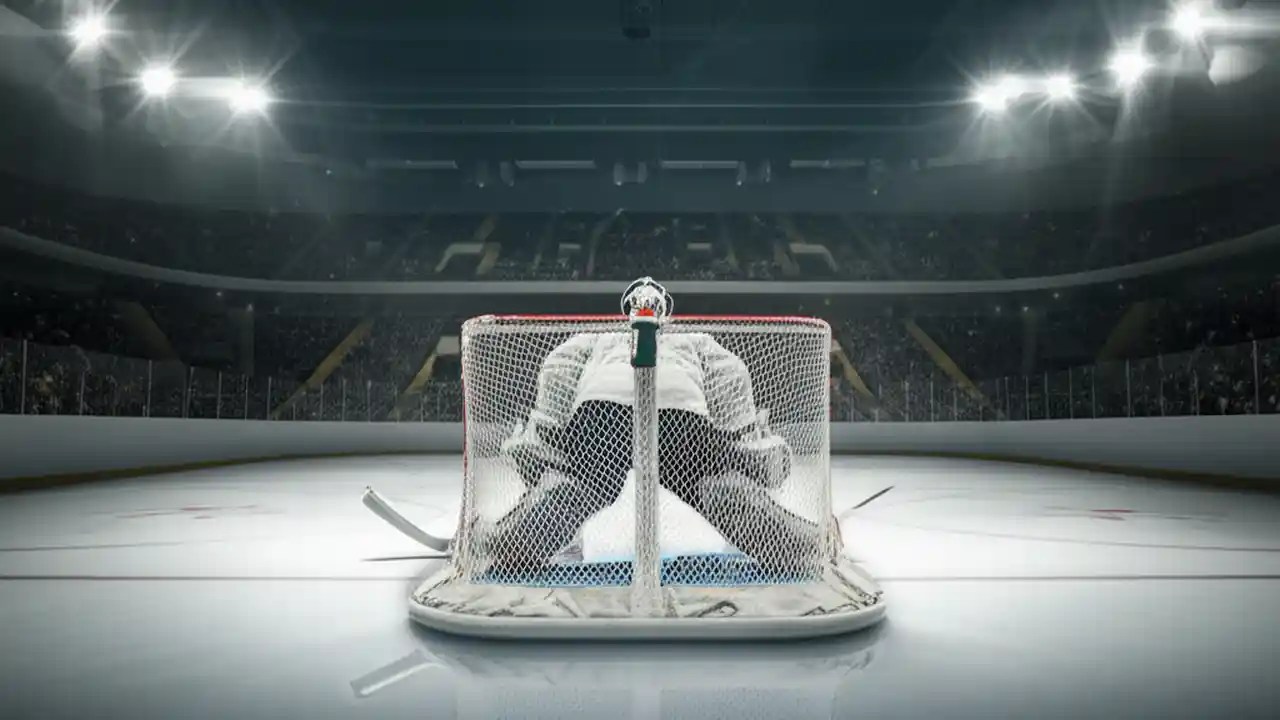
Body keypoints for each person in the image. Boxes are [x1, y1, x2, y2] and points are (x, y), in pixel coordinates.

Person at [478, 305, 826, 578]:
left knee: (578, 487)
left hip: (601, 418)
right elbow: (729, 376)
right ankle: (802, 547)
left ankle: (506, 545)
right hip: (679, 418)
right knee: (718, 486)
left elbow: (558, 370)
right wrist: (747, 441)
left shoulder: (596, 337)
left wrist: (546, 437)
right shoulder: (694, 338)